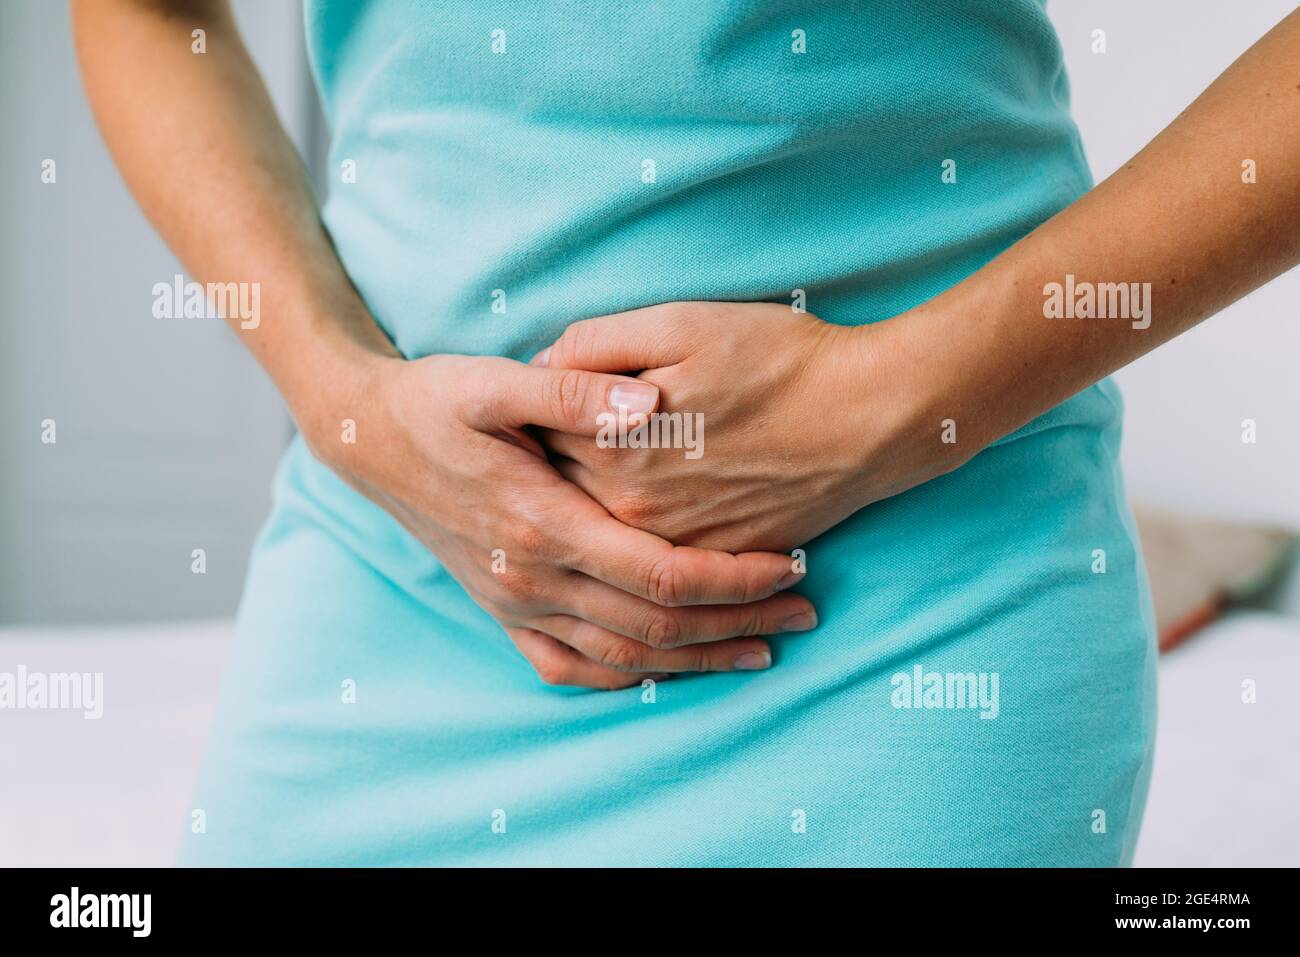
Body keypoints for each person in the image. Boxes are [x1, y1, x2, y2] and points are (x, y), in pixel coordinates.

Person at [74, 0, 1300, 865]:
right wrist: (341, 400)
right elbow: (138, 12)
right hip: (396, 569)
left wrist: (887, 402)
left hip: (907, 621)